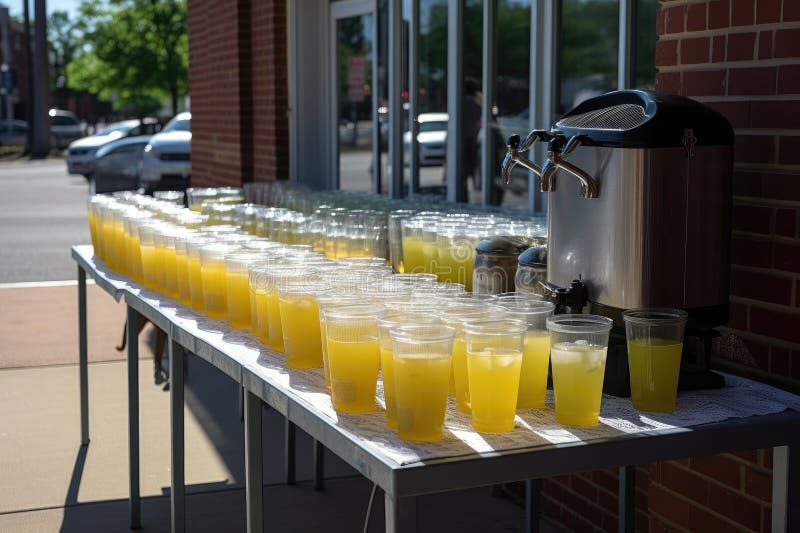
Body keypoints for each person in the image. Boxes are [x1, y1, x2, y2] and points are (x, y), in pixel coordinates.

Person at [462, 76, 482, 195]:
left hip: (464, 138)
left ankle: (465, 190)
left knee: (464, 168)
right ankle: (476, 188)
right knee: (473, 165)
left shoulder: (463, 101)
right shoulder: (478, 101)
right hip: (475, 137)